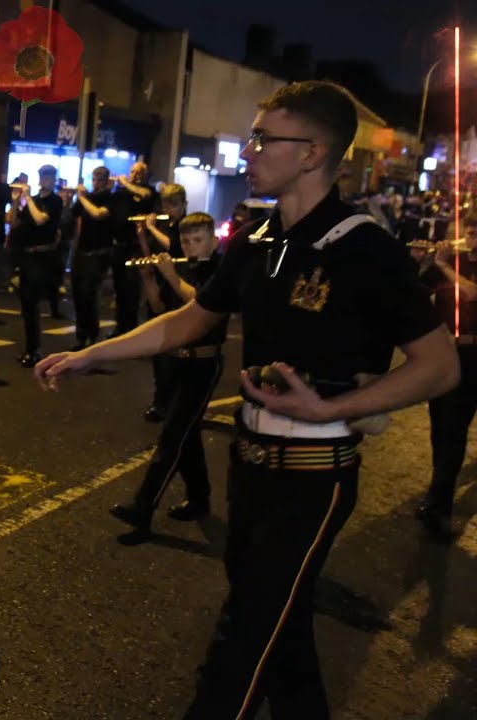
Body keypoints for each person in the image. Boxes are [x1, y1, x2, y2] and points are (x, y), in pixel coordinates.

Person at [35, 80, 457, 719]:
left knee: (242, 639)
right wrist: (93, 354)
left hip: (315, 476)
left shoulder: (366, 249)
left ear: (312, 153)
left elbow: (440, 366)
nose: (249, 151)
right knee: (280, 633)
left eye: (265, 138)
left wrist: (329, 409)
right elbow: (189, 321)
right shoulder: (259, 237)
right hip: (252, 465)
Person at [109, 212, 226, 540]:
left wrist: (172, 276)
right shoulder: (182, 268)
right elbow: (162, 310)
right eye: (186, 241)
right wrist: (149, 279)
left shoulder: (219, 270)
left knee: (172, 437)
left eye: (198, 240)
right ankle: (200, 498)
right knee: (185, 435)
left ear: (213, 242)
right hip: (175, 362)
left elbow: (203, 304)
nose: (190, 247)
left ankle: (142, 508)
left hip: (203, 364)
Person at [416, 217, 477, 542]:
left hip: (472, 359)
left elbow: (470, 292)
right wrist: (425, 262)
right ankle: (437, 493)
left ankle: (439, 507)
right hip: (444, 357)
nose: (470, 239)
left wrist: (442, 266)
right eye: (468, 232)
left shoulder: (452, 266)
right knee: (440, 427)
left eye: (475, 233)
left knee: (453, 430)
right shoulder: (449, 260)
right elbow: (413, 293)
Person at [139, 183, 190, 423]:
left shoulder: (187, 226)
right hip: (162, 285)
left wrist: (151, 227)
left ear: (183, 204)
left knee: (175, 350)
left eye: (173, 204)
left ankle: (172, 402)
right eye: (166, 204)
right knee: (159, 349)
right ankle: (160, 401)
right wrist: (142, 235)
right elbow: (154, 253)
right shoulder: (164, 225)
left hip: (180, 285)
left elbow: (173, 246)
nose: (168, 209)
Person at [9, 165, 65, 367]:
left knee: (32, 303)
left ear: (53, 179)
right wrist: (16, 202)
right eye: (42, 176)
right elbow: (14, 221)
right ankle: (30, 348)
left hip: (42, 257)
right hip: (27, 255)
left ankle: (35, 350)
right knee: (26, 305)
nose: (44, 180)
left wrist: (29, 199)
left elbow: (41, 220)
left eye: (48, 177)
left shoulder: (54, 201)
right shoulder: (37, 200)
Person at [70, 166, 116, 351]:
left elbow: (98, 214)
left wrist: (83, 198)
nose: (95, 183)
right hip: (81, 252)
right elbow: (72, 214)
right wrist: (75, 198)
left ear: (106, 181)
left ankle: (92, 334)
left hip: (98, 254)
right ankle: (81, 336)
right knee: (77, 295)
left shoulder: (110, 199)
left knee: (88, 293)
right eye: (94, 180)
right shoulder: (88, 197)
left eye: (99, 180)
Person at [108, 161, 157, 337]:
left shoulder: (148, 191)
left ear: (145, 175)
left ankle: (131, 328)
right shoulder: (121, 193)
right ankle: (120, 326)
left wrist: (126, 184)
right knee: (119, 288)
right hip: (118, 246)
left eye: (139, 172)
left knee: (132, 289)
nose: (134, 175)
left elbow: (145, 195)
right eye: (132, 171)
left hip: (135, 246)